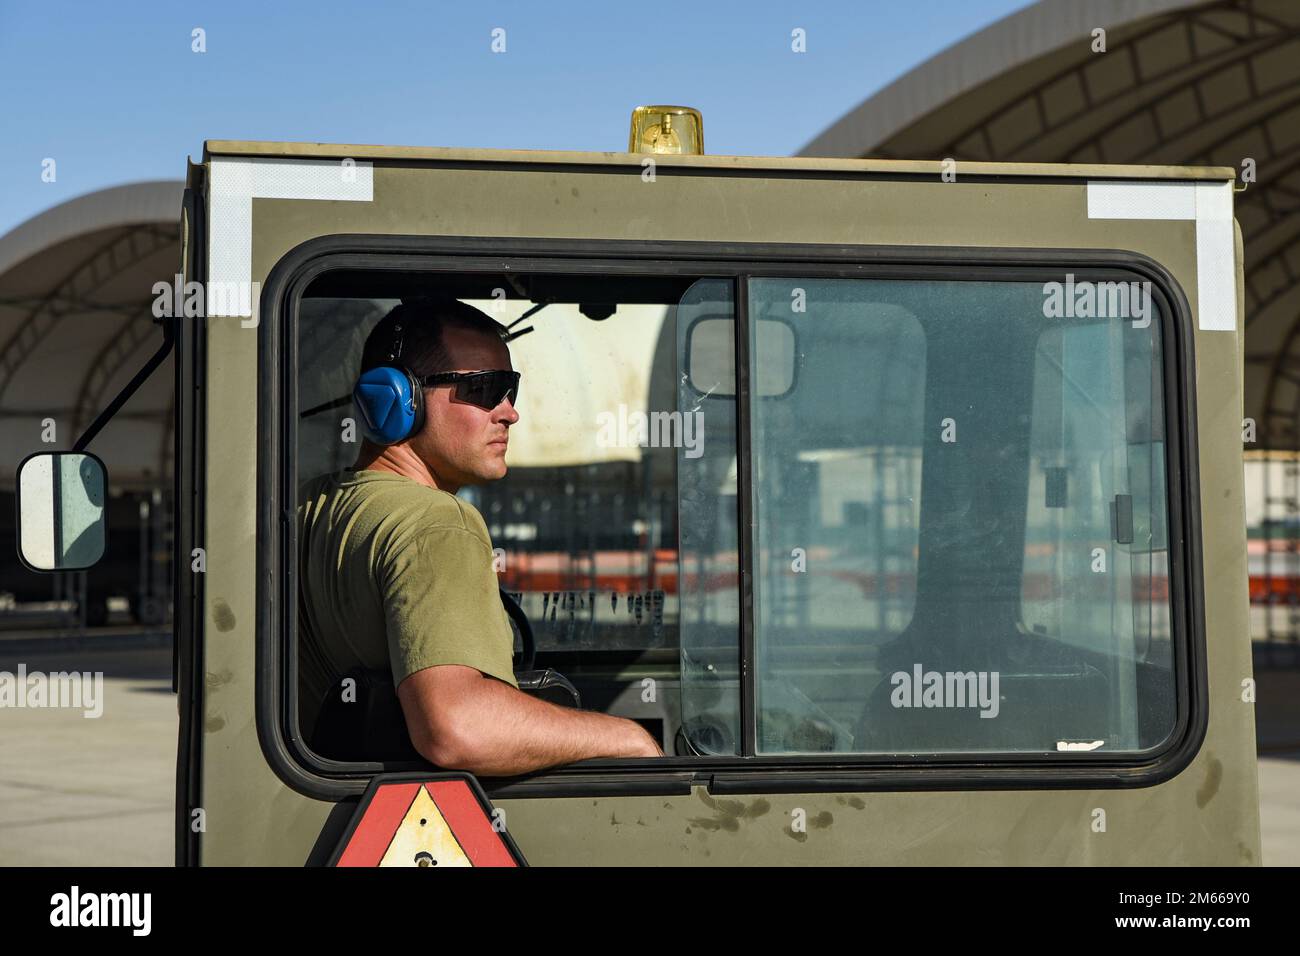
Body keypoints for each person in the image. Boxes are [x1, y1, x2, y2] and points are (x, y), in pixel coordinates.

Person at [297, 297, 664, 775]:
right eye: (485, 389)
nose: (509, 412)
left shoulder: (314, 504)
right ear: (397, 398)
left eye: (510, 388)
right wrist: (628, 738)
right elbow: (458, 728)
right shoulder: (437, 524)